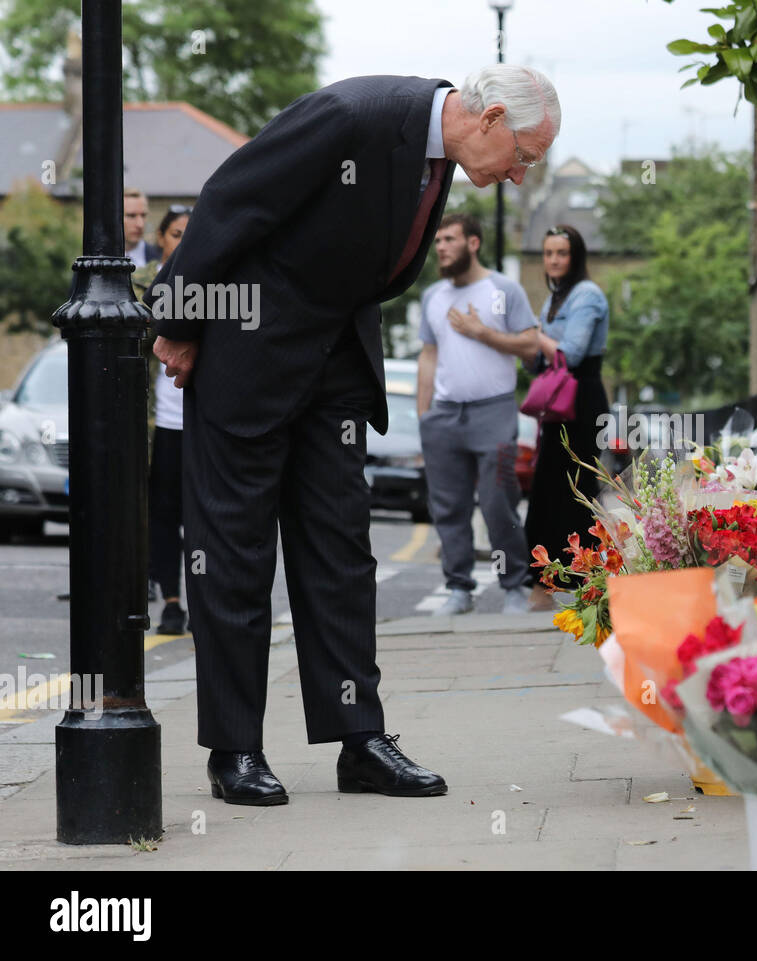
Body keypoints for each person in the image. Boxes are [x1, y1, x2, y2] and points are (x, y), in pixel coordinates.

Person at [149, 66, 559, 806]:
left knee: (342, 552)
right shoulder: (353, 115)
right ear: (491, 117)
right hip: (251, 357)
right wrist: (178, 322)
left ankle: (359, 741)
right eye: (523, 156)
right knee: (235, 553)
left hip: (333, 369)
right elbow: (233, 199)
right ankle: (235, 750)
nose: (520, 177)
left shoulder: (438, 158)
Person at [416, 213, 538, 616]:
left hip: (494, 412)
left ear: (473, 243)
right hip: (445, 416)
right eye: (437, 242)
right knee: (447, 506)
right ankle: (459, 589)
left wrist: (481, 332)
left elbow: (531, 346)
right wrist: (423, 415)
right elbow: (429, 355)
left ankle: (515, 586)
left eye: (449, 239)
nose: (441, 248)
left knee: (497, 501)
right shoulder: (432, 296)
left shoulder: (503, 290)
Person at [525, 225, 609, 609]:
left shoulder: (587, 295)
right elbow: (544, 356)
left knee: (577, 491)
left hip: (582, 400)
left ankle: (583, 579)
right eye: (548, 253)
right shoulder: (554, 299)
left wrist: (531, 333)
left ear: (575, 257)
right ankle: (550, 579)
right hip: (557, 403)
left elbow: (571, 353)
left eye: (561, 253)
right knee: (547, 489)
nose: (554, 260)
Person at [132, 207, 191, 634]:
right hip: (163, 425)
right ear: (161, 238)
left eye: (191, 234)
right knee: (164, 514)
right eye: (175, 234)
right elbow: (139, 336)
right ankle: (171, 600)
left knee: (207, 517)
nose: (183, 242)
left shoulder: (218, 281)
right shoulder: (141, 281)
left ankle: (206, 601)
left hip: (206, 424)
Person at [123, 188, 162, 269]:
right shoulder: (97, 258)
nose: (140, 224)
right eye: (131, 216)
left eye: (143, 215)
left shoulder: (159, 259)